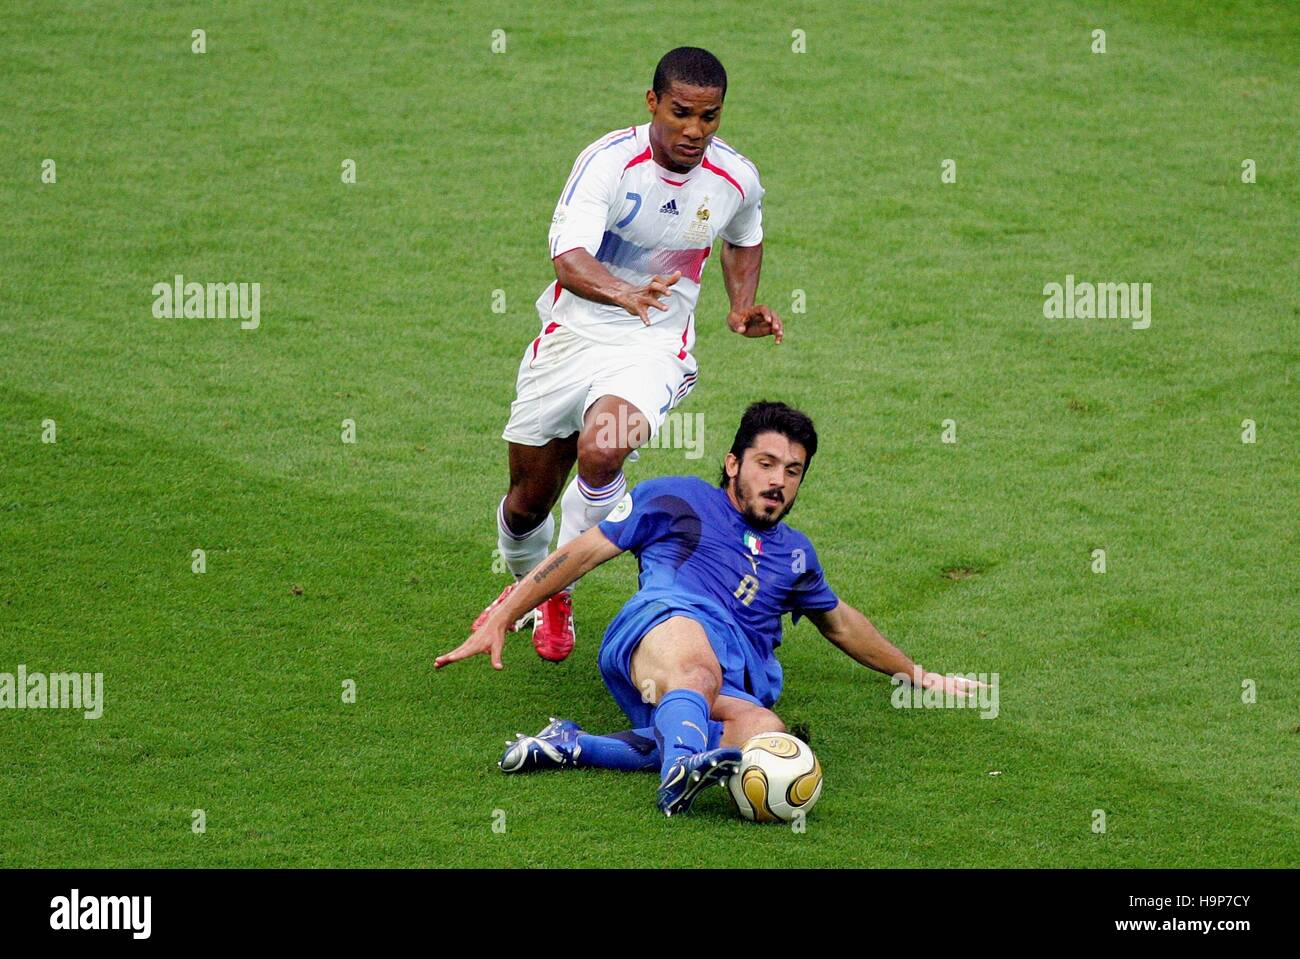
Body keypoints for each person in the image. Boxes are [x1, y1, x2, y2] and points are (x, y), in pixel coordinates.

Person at [440, 402, 984, 817]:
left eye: (792, 471)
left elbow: (840, 622)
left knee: (764, 731)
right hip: (663, 629)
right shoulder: (675, 499)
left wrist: (917, 674)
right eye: (766, 464)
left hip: (728, 675)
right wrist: (506, 614)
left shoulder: (795, 554)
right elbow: (580, 553)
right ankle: (679, 772)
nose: (777, 481)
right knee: (696, 667)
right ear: (732, 463)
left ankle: (577, 746)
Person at [479, 46, 782, 663]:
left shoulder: (736, 177)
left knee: (604, 445)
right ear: (653, 103)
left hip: (654, 343)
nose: (695, 131)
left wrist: (739, 304)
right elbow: (568, 259)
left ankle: (556, 584)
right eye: (681, 113)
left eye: (710, 117)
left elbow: (743, 235)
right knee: (526, 502)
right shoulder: (608, 163)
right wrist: (623, 291)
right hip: (574, 334)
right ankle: (532, 587)